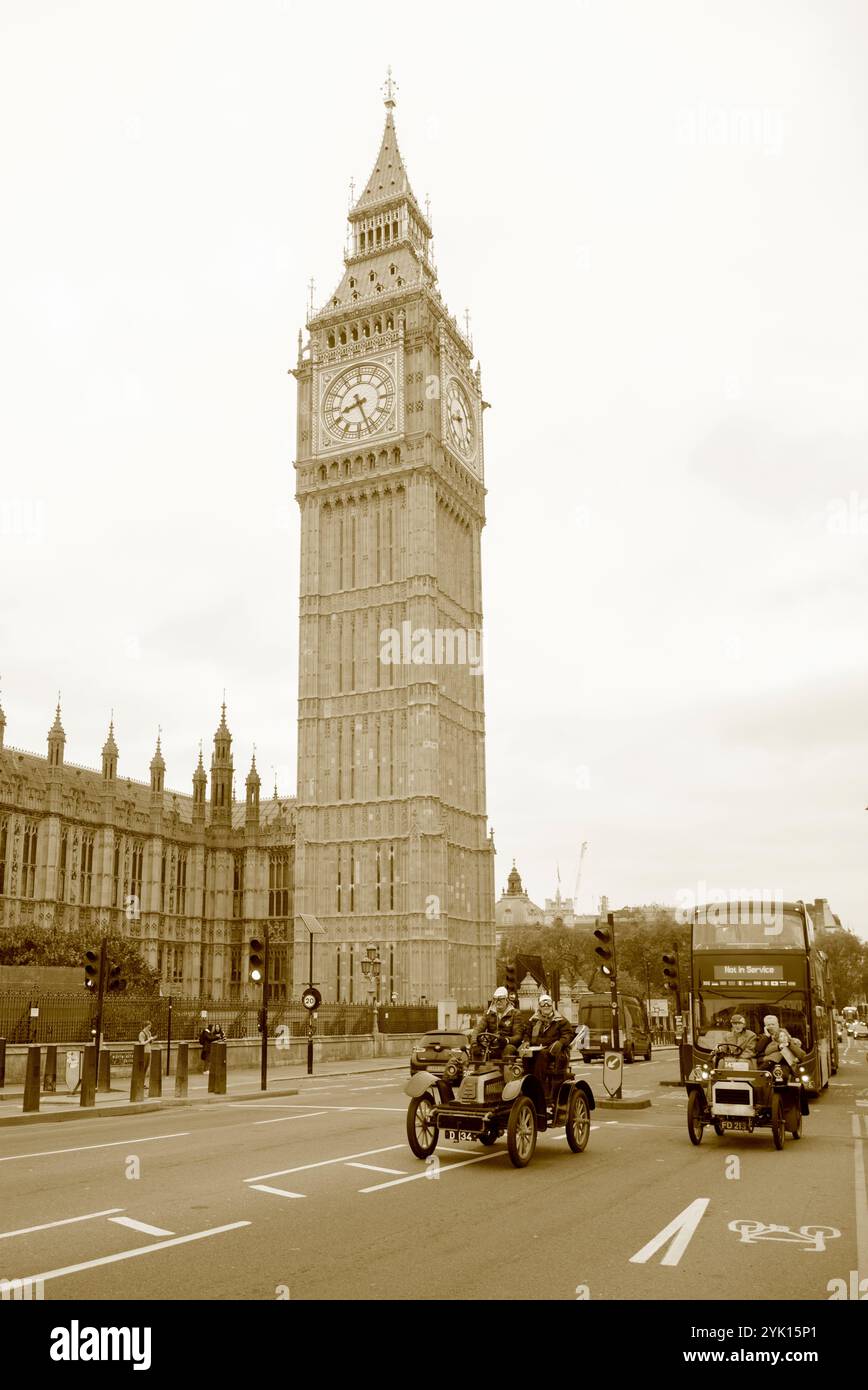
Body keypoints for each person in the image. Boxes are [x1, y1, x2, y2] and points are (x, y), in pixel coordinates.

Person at [519, 994, 576, 1090]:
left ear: (552, 1006)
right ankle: (526, 1083)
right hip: (535, 1049)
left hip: (556, 1052)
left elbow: (568, 1035)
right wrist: (526, 1042)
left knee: (542, 1055)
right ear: (539, 1007)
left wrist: (560, 1043)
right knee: (525, 1056)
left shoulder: (561, 1021)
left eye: (548, 1005)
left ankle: (538, 1086)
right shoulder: (533, 1020)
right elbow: (527, 1034)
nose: (546, 1007)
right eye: (543, 1005)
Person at [471, 986, 522, 1060]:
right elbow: (477, 1030)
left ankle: (505, 1070)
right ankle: (477, 1069)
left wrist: (506, 1040)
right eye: (496, 999)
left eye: (501, 999)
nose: (498, 1002)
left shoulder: (515, 1013)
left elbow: (518, 1036)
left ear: (507, 1000)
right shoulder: (488, 1013)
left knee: (508, 1049)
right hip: (491, 1044)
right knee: (475, 1050)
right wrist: (474, 1044)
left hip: (506, 1044)